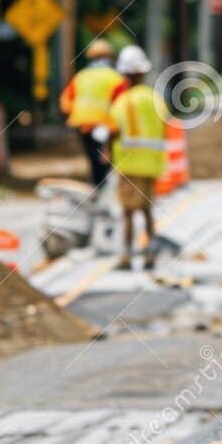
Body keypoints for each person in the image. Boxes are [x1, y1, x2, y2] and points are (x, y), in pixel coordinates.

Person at [106, 45, 167, 271]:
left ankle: (126, 257)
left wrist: (108, 152)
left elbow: (113, 130)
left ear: (126, 74)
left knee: (128, 212)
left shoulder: (125, 101)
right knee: (147, 209)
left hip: (129, 165)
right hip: (152, 165)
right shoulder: (155, 98)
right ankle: (150, 253)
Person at [60, 38, 127, 190]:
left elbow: (65, 101)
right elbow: (122, 104)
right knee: (107, 158)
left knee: (93, 158)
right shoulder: (115, 77)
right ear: (109, 56)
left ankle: (98, 188)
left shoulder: (81, 76)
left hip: (83, 124)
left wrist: (74, 115)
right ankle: (104, 191)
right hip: (105, 125)